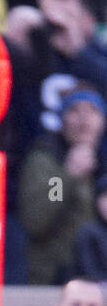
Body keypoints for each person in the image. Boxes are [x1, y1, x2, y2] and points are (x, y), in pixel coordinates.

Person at [19, 86, 107, 286]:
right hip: (53, 279)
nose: (84, 120)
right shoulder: (49, 161)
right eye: (75, 110)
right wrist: (67, 175)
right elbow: (39, 218)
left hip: (97, 278)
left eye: (92, 111)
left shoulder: (102, 164)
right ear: (62, 120)